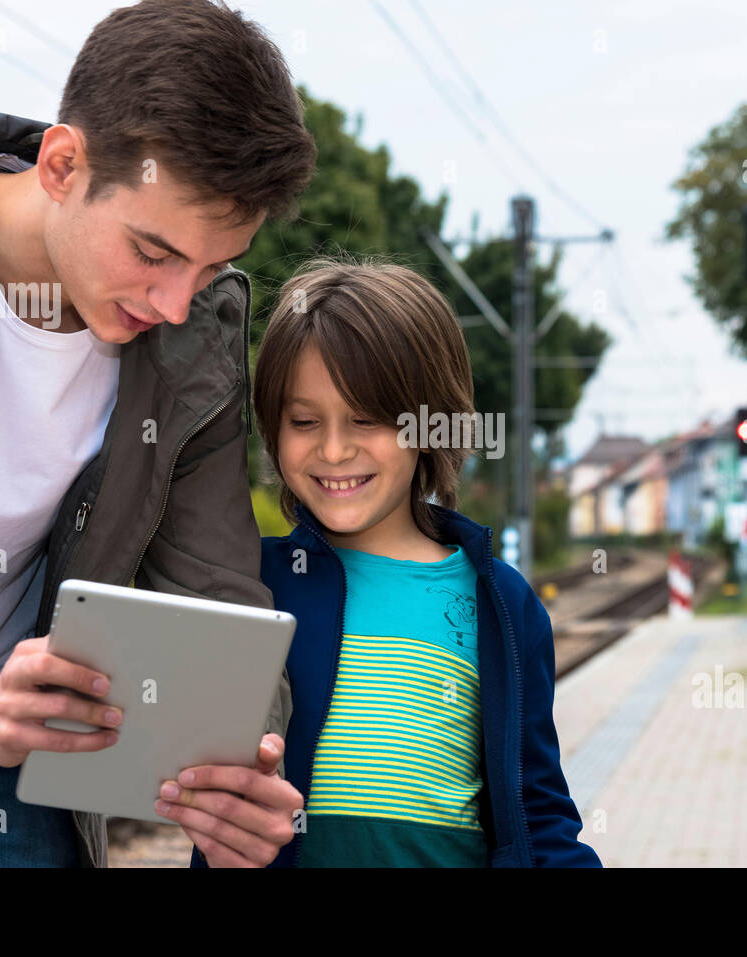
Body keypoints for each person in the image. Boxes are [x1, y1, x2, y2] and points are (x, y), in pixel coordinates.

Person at [0, 0, 315, 868]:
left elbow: (214, 593)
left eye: (213, 265)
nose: (177, 304)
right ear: (63, 164)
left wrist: (232, 769)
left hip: (8, 769)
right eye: (153, 253)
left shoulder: (196, 334)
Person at [183, 258, 601, 867]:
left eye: (366, 419)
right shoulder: (247, 584)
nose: (333, 449)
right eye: (303, 422)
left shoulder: (502, 604)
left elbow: (536, 813)